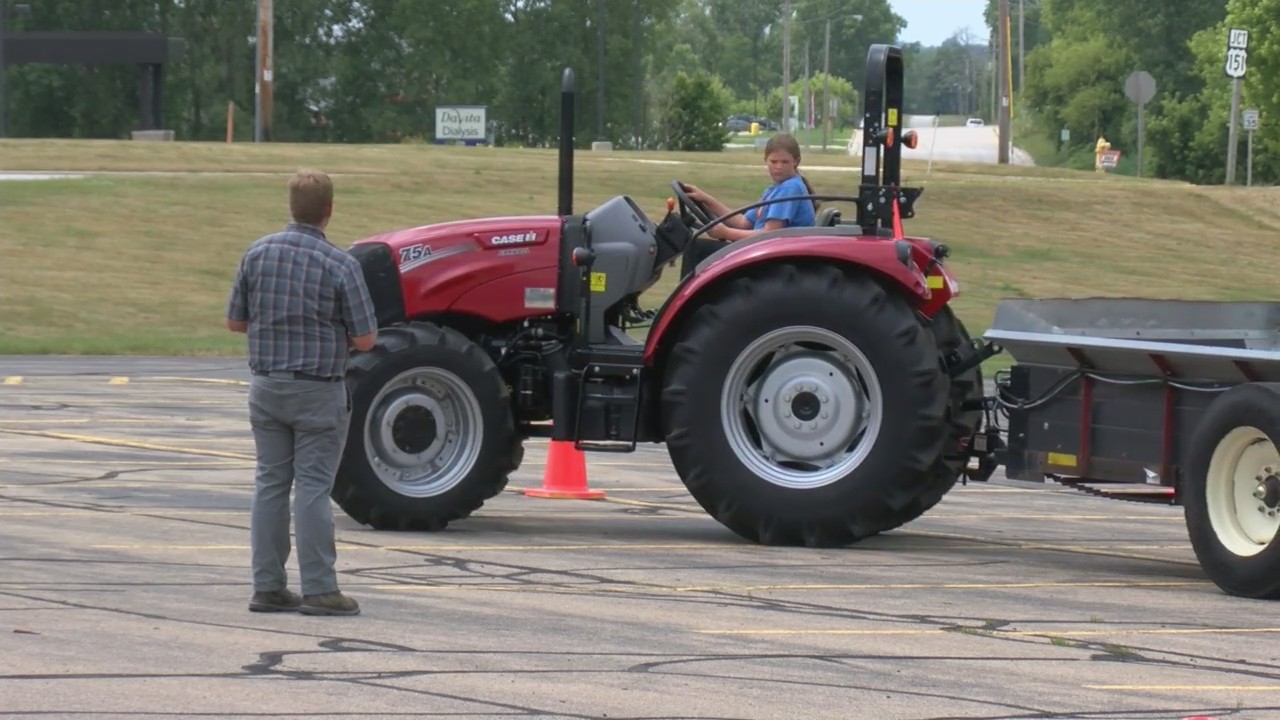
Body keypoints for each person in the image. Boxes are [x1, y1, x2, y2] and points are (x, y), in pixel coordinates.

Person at [226, 169, 378, 617]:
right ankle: (319, 588)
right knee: (312, 488)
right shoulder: (340, 263)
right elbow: (366, 339)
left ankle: (268, 585)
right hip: (318, 390)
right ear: (329, 210)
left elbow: (236, 321)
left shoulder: (258, 253)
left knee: (271, 483)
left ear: (291, 206)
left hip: (268, 385)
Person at [679, 133, 819, 258]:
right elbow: (743, 223)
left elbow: (771, 234)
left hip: (776, 255)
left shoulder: (791, 188)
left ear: (796, 161)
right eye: (774, 161)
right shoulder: (774, 190)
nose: (778, 167)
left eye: (784, 162)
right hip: (766, 250)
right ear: (765, 160)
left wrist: (725, 233)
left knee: (696, 249)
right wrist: (705, 199)